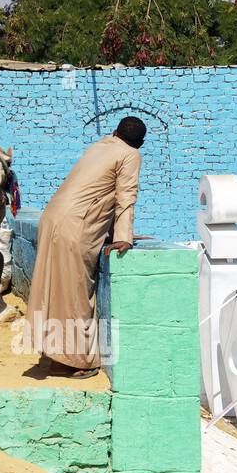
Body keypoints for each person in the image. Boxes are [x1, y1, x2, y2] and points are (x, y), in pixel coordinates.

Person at [24, 116, 145, 378]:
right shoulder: (131, 155)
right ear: (140, 143)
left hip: (52, 219)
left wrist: (115, 232)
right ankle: (76, 361)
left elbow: (100, 194)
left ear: (115, 132)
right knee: (76, 294)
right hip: (75, 226)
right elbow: (125, 196)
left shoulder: (100, 145)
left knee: (52, 290)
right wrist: (123, 236)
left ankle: (55, 356)